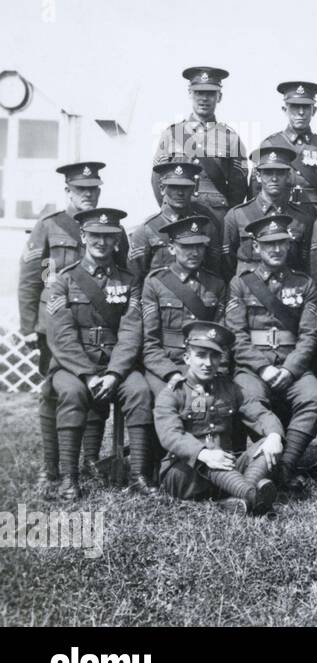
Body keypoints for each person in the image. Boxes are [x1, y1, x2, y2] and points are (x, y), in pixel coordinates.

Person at [19, 162, 128, 483]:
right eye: (82, 190)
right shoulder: (49, 226)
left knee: (93, 388)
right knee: (55, 392)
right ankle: (51, 466)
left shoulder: (111, 228)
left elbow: (120, 274)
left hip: (96, 322)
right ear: (67, 190)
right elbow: (29, 280)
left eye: (93, 189)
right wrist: (28, 327)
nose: (88, 195)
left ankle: (91, 460)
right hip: (55, 324)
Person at [43, 209, 152, 499]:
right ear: (83, 237)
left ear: (117, 240)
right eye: (95, 235)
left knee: (139, 390)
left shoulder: (130, 281)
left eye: (108, 236)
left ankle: (138, 475)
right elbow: (62, 335)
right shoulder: (63, 280)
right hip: (74, 366)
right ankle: (69, 478)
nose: (101, 242)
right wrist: (89, 375)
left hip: (116, 363)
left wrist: (115, 373)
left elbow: (131, 331)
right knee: (71, 393)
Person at [226, 215, 317, 492]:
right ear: (256, 247)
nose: (276, 249)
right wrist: (263, 368)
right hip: (253, 366)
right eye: (269, 244)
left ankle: (285, 466)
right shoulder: (241, 284)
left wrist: (290, 369)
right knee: (248, 397)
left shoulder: (304, 284)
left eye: (281, 243)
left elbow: (308, 335)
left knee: (313, 397)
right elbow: (237, 336)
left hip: (292, 362)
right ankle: (280, 461)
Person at [154, 321, 282, 517]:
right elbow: (170, 435)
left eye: (214, 356)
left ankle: (236, 500)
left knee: (266, 445)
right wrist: (204, 453)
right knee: (207, 459)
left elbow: (260, 413)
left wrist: (274, 435)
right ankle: (254, 496)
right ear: (187, 358)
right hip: (185, 474)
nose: (208, 363)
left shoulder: (230, 388)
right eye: (201, 355)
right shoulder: (173, 393)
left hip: (227, 467)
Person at [139, 218, 226, 398]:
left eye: (199, 246)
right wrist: (171, 373)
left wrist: (218, 372)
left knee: (209, 406)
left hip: (205, 365)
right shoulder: (155, 283)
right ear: (172, 248)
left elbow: (222, 338)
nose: (194, 253)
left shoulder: (216, 284)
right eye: (187, 247)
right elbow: (150, 343)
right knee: (170, 399)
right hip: (167, 365)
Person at [151, 67, 249, 225]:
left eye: (210, 94)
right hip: (179, 218)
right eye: (199, 92)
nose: (204, 98)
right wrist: (171, 210)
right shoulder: (172, 134)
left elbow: (238, 187)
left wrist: (226, 219)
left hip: (216, 220)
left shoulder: (231, 138)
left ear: (220, 97)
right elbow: (157, 181)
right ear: (190, 93)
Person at [223, 146, 315, 277]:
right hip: (249, 291)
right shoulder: (237, 216)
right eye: (268, 172)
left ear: (288, 176)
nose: (274, 178)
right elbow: (227, 263)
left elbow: (304, 264)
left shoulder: (302, 219)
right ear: (259, 176)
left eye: (280, 172)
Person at [128, 162, 222, 282]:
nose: (180, 193)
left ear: (194, 188)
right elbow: (134, 279)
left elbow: (215, 272)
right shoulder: (147, 230)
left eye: (185, 187)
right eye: (173, 187)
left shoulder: (206, 227)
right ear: (162, 189)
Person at [259, 81, 317, 216]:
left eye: (306, 107)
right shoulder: (269, 144)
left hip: (316, 218)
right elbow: (256, 189)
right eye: (295, 106)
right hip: (280, 217)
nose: (301, 112)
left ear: (314, 110)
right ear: (285, 110)